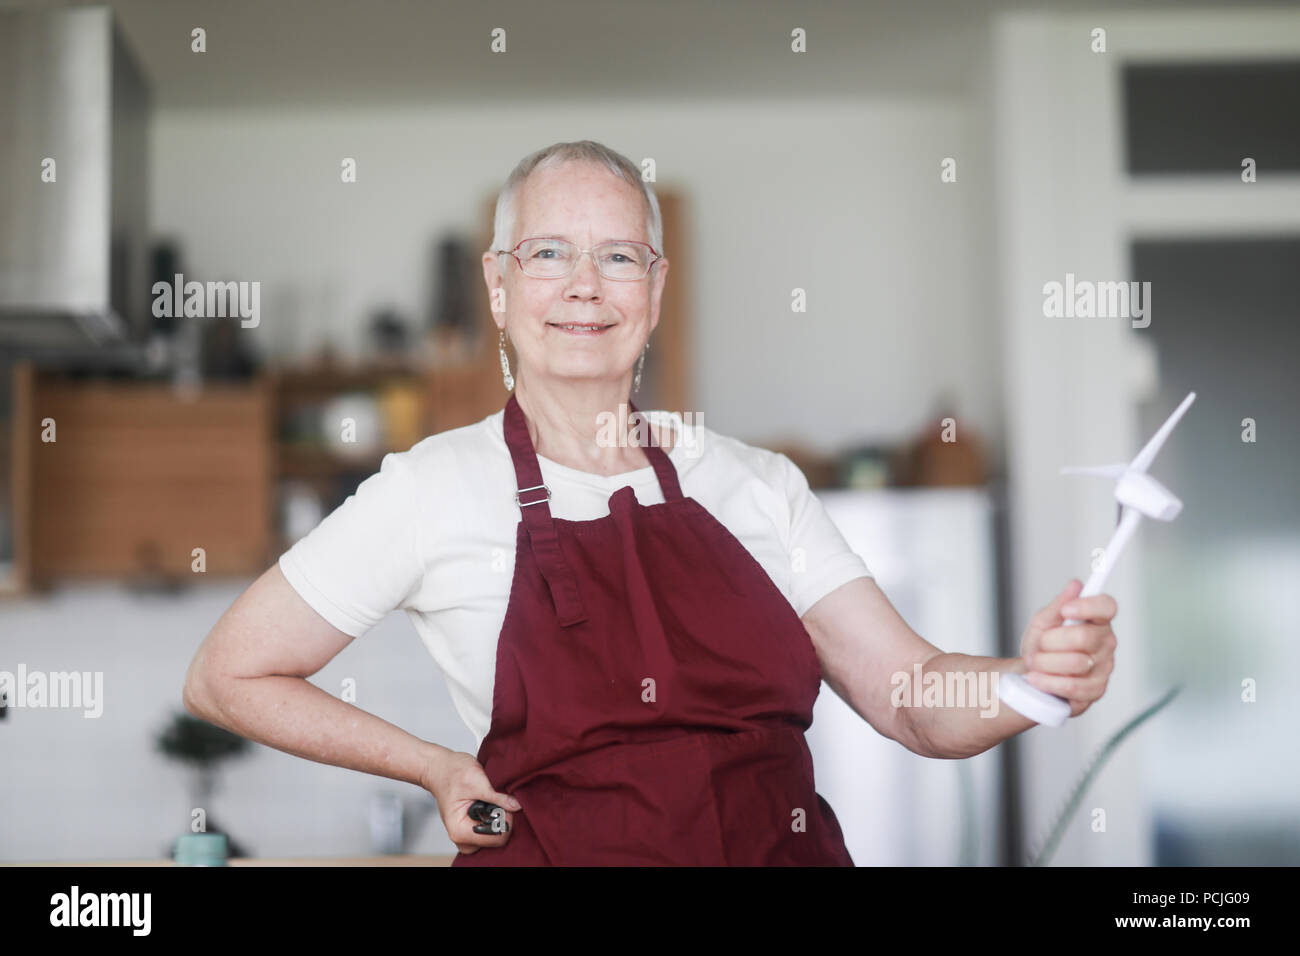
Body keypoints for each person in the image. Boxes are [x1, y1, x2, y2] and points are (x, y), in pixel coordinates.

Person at [183, 140, 1119, 865]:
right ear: (498, 286)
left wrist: (1032, 682)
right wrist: (430, 765)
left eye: (619, 256)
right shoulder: (433, 487)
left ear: (655, 290)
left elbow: (912, 697)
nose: (585, 286)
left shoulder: (756, 484)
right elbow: (228, 675)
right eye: (549, 252)